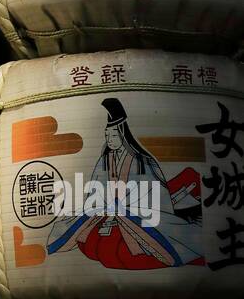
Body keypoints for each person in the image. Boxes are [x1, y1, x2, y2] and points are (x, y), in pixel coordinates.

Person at [46, 97, 203, 270]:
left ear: (123, 134)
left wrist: (123, 209)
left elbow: (151, 194)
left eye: (114, 135)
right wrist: (103, 207)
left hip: (136, 214)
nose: (110, 139)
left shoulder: (142, 161)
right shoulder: (105, 160)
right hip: (107, 212)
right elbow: (96, 192)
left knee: (119, 249)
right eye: (107, 135)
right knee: (88, 239)